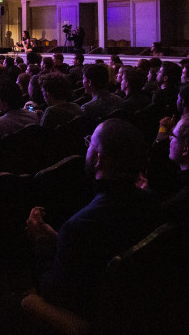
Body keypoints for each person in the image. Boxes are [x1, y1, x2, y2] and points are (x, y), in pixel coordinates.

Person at [26, 119, 160, 316]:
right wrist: (57, 237)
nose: (86, 148)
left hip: (98, 314)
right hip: (139, 302)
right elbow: (92, 251)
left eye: (90, 144)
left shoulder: (78, 227)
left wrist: (40, 242)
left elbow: (56, 292)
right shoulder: (153, 201)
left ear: (98, 159)